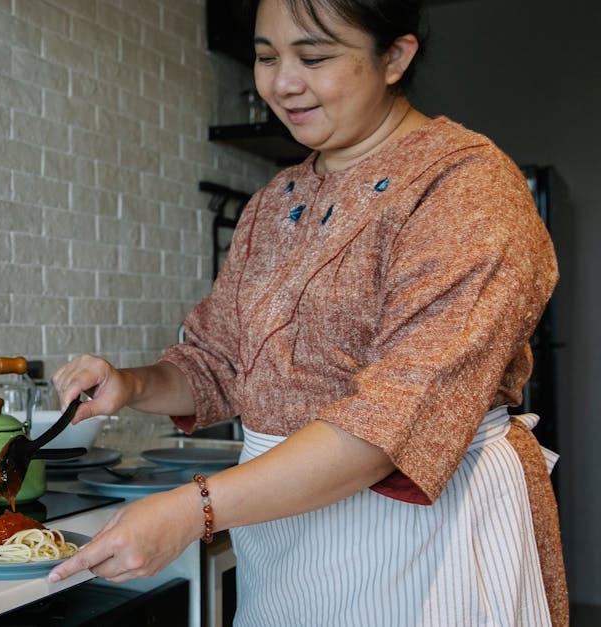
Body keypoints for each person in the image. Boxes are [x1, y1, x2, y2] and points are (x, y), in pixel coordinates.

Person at [46, 0, 567, 624]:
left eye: (314, 57)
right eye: (266, 57)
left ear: (395, 58)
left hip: (428, 537)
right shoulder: (274, 201)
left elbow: (390, 422)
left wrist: (193, 509)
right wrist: (130, 384)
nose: (282, 82)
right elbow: (219, 361)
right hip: (284, 535)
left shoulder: (465, 187)